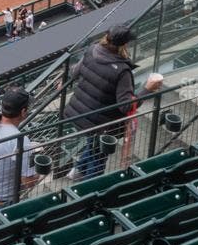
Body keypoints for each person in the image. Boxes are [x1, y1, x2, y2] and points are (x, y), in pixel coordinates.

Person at [64, 26, 163, 180]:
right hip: (101, 124)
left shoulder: (92, 50)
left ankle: (78, 171)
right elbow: (126, 107)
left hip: (78, 113)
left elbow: (74, 72)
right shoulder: (122, 70)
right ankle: (88, 190)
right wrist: (147, 89)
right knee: (99, 157)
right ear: (124, 45)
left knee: (93, 145)